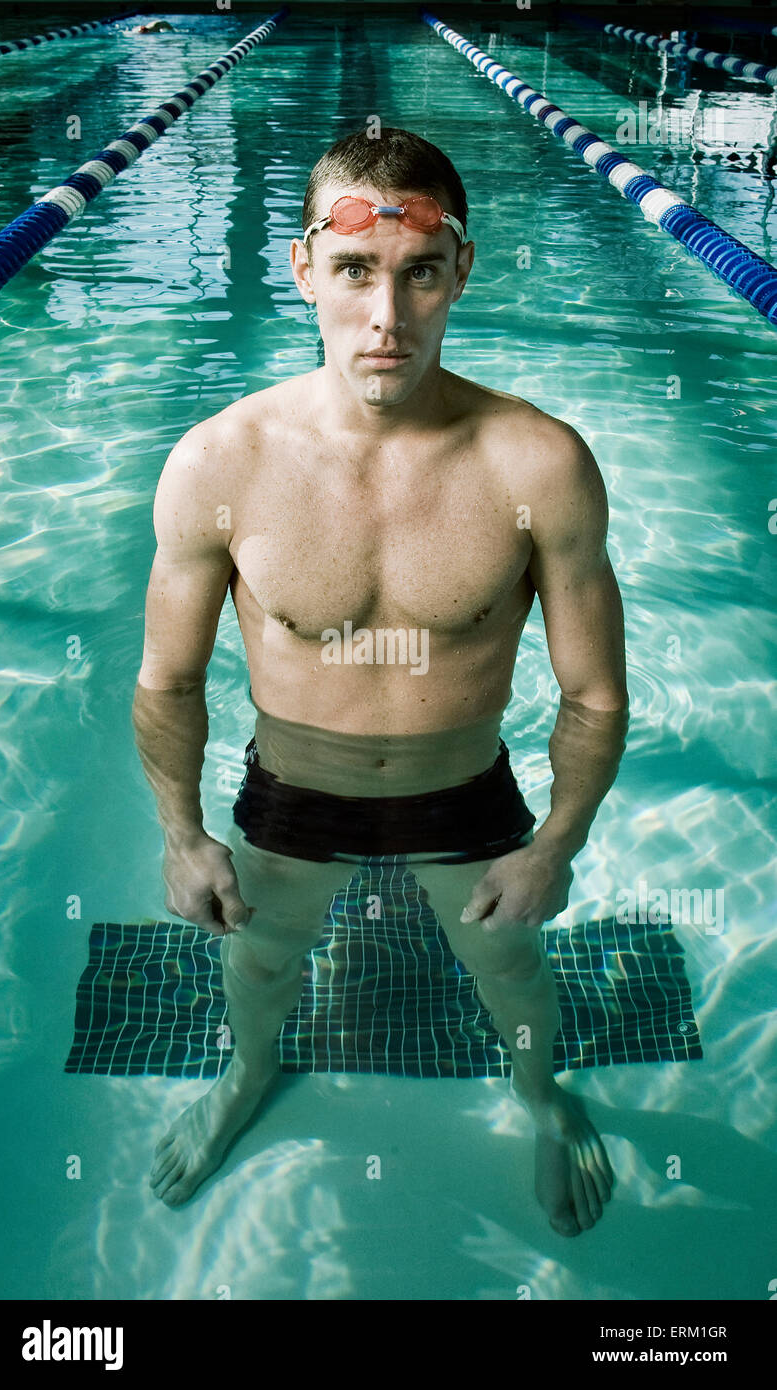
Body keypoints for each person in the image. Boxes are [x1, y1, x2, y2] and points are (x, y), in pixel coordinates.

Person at [132, 127, 629, 1236]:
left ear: (460, 268)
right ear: (306, 268)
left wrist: (556, 843)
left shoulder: (538, 463)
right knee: (258, 972)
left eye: (417, 274)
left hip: (464, 794)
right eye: (355, 271)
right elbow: (167, 682)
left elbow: (593, 694)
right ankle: (243, 1080)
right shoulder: (222, 462)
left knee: (511, 975)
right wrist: (181, 833)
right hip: (292, 793)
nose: (386, 319)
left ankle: (543, 1099)